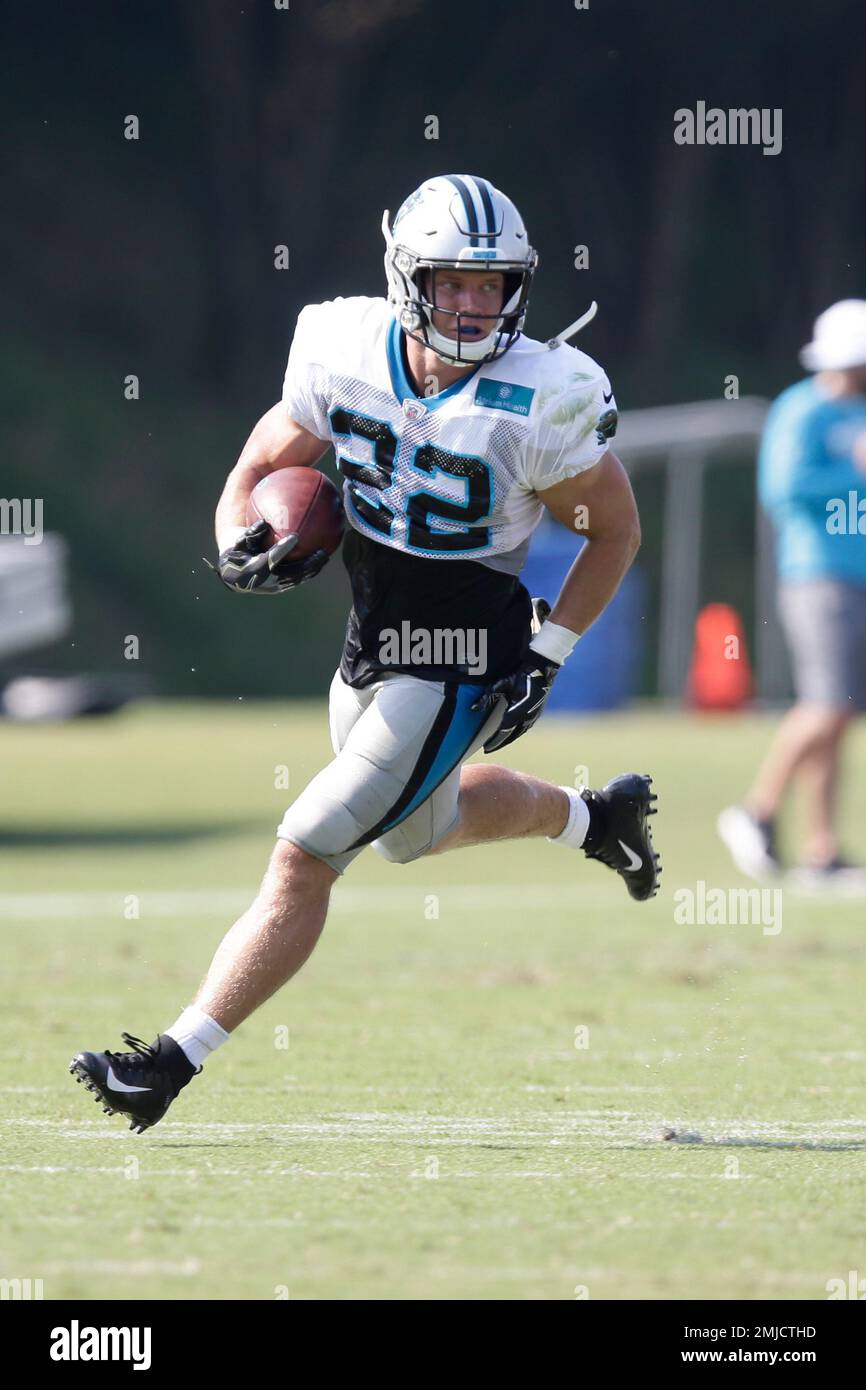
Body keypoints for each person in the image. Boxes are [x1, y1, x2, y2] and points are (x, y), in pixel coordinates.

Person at [70, 174, 660, 1131]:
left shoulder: (544, 393)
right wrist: (233, 540)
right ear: (406, 276)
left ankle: (169, 1063)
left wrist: (545, 654)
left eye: (492, 283)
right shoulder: (344, 348)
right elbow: (262, 464)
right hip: (373, 635)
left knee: (307, 851)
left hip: (466, 654)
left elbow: (615, 532)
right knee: (411, 833)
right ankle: (597, 820)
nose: (474, 303)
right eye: (452, 280)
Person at [718, 299, 866, 889]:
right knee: (826, 704)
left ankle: (822, 849)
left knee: (841, 714)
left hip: (858, 576)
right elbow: (784, 488)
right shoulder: (801, 410)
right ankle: (756, 811)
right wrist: (854, 473)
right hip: (817, 576)